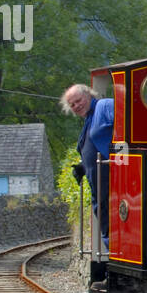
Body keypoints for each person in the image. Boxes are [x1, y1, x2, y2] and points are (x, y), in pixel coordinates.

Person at [61, 84, 114, 251]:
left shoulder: (104, 106)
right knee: (104, 218)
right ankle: (111, 256)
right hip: (98, 185)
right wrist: (83, 167)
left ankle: (114, 256)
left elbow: (125, 126)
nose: (77, 106)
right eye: (72, 104)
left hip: (112, 179)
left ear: (88, 95)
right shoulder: (88, 121)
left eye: (78, 101)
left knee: (110, 219)